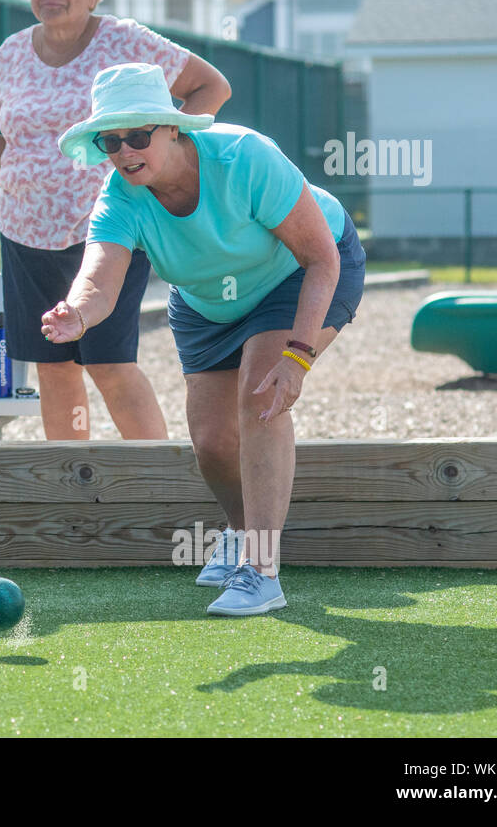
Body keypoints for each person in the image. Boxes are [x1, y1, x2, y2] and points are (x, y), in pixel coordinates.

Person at [43, 63, 366, 616]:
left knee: (260, 398)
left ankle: (262, 571)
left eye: (138, 135)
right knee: (213, 443)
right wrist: (76, 312)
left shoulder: (244, 157)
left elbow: (320, 258)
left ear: (174, 129)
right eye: (111, 139)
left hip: (296, 274)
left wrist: (297, 356)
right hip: (206, 303)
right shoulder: (121, 196)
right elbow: (99, 276)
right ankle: (240, 535)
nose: (124, 150)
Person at [0, 0, 230, 441]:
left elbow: (211, 86)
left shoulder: (126, 40)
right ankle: (74, 487)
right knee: (53, 365)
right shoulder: (13, 52)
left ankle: (154, 485)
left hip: (111, 226)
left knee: (109, 362)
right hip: (24, 229)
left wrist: (165, 151)